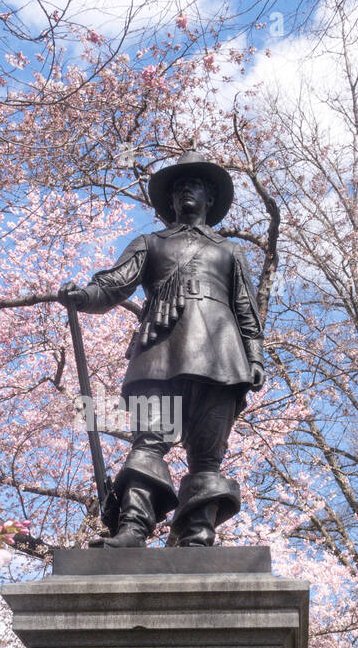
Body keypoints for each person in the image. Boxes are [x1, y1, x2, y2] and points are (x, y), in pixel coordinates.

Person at [59, 150, 271, 547]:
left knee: (207, 455)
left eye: (194, 186)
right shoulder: (150, 243)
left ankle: (198, 535)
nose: (185, 192)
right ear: (170, 202)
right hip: (159, 352)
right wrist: (84, 295)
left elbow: (245, 307)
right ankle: (133, 529)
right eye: (177, 189)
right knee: (149, 440)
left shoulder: (229, 251)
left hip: (221, 356)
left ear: (210, 198)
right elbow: (114, 284)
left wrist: (255, 355)